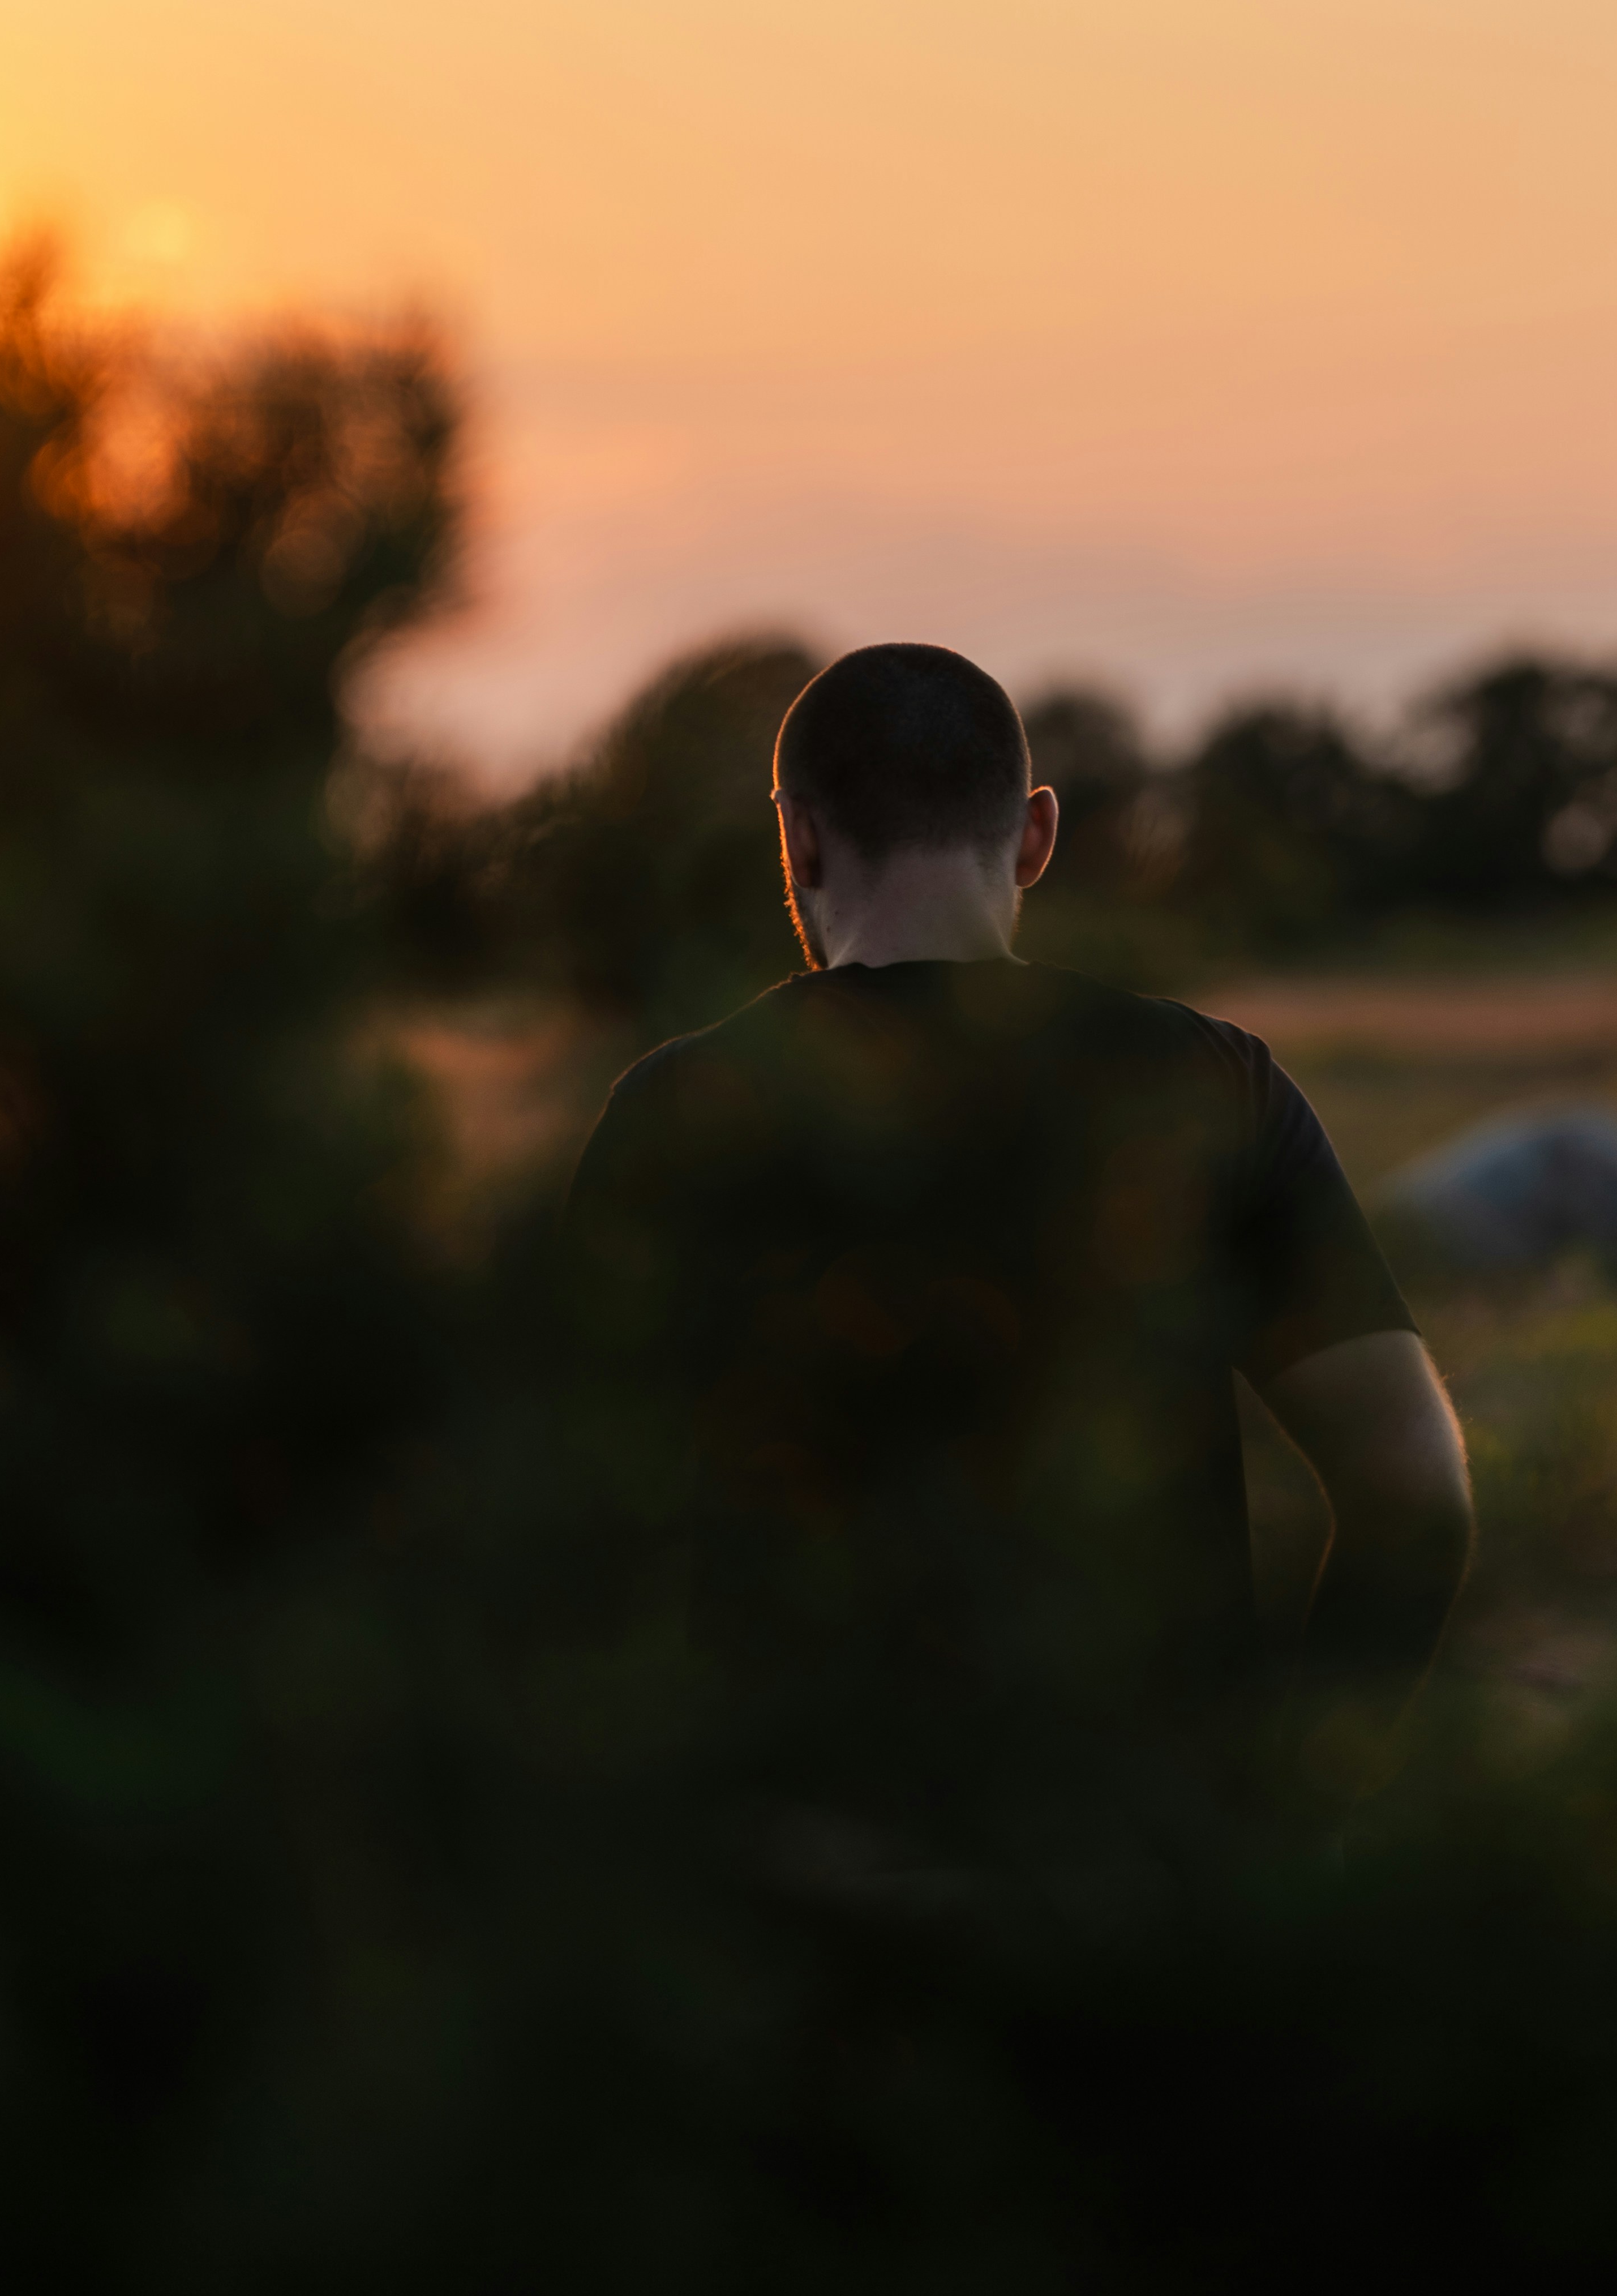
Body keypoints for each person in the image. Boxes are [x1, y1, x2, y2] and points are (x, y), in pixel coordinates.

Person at [563, 643, 1472, 1865]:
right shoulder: (1209, 1086)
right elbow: (1410, 1489)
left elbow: (562, 1537)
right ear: (1035, 833)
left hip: (779, 1903)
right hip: (1132, 1888)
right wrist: (1279, 1804)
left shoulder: (680, 1112)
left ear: (799, 840)